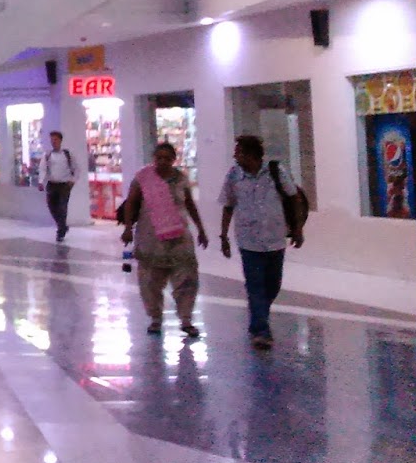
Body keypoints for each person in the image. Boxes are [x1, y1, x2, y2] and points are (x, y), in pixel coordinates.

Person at [218, 134, 306, 351]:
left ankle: (259, 316)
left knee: (273, 285)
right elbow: (228, 205)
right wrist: (223, 236)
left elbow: (293, 197)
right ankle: (261, 331)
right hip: (248, 241)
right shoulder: (234, 176)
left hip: (275, 238)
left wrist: (297, 228)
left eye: (238, 152)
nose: (234, 156)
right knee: (255, 285)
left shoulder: (275, 171)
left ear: (250, 154)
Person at [120, 142, 209, 340]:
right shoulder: (143, 178)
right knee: (151, 280)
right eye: (158, 158)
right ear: (153, 159)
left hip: (179, 238)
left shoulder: (181, 179)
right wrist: (127, 228)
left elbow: (189, 204)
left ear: (173, 160)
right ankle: (155, 318)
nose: (162, 162)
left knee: (186, 278)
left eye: (166, 158)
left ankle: (186, 319)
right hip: (150, 237)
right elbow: (131, 203)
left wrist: (201, 229)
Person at [40, 131, 77, 241]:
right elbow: (43, 169)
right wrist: (41, 182)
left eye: (55, 139)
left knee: (62, 207)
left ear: (60, 140)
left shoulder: (68, 154)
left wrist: (72, 180)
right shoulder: (47, 155)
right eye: (52, 140)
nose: (53, 142)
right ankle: (63, 226)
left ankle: (60, 231)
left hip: (64, 185)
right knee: (52, 206)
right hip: (52, 184)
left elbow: (76, 169)